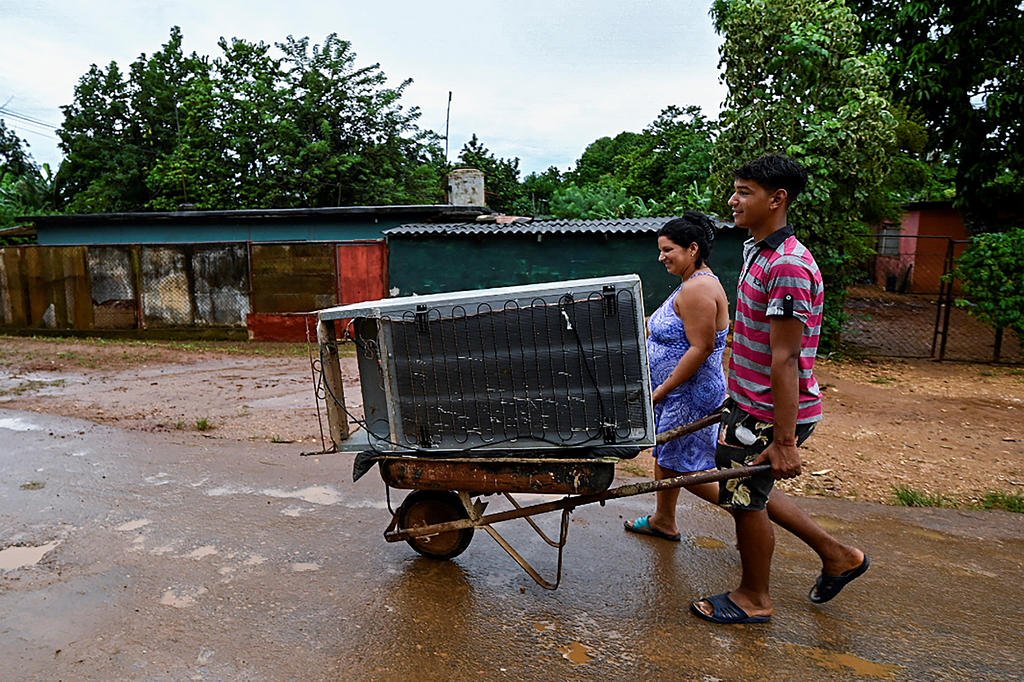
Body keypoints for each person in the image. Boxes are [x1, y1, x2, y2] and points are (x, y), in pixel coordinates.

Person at [691, 154, 870, 625]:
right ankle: (838, 555)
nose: (733, 199)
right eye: (735, 189)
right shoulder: (758, 250)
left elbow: (787, 357)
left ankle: (754, 598)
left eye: (744, 191)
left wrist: (785, 441)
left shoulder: (787, 265)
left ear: (777, 199)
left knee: (745, 501)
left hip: (769, 414)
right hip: (750, 403)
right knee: (747, 490)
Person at [623, 211, 730, 542]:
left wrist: (662, 390)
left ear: (692, 249)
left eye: (668, 250)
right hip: (679, 393)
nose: (662, 257)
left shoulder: (698, 289)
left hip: (689, 394)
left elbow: (701, 348)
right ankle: (664, 520)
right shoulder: (692, 283)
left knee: (682, 468)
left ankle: (746, 510)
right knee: (669, 458)